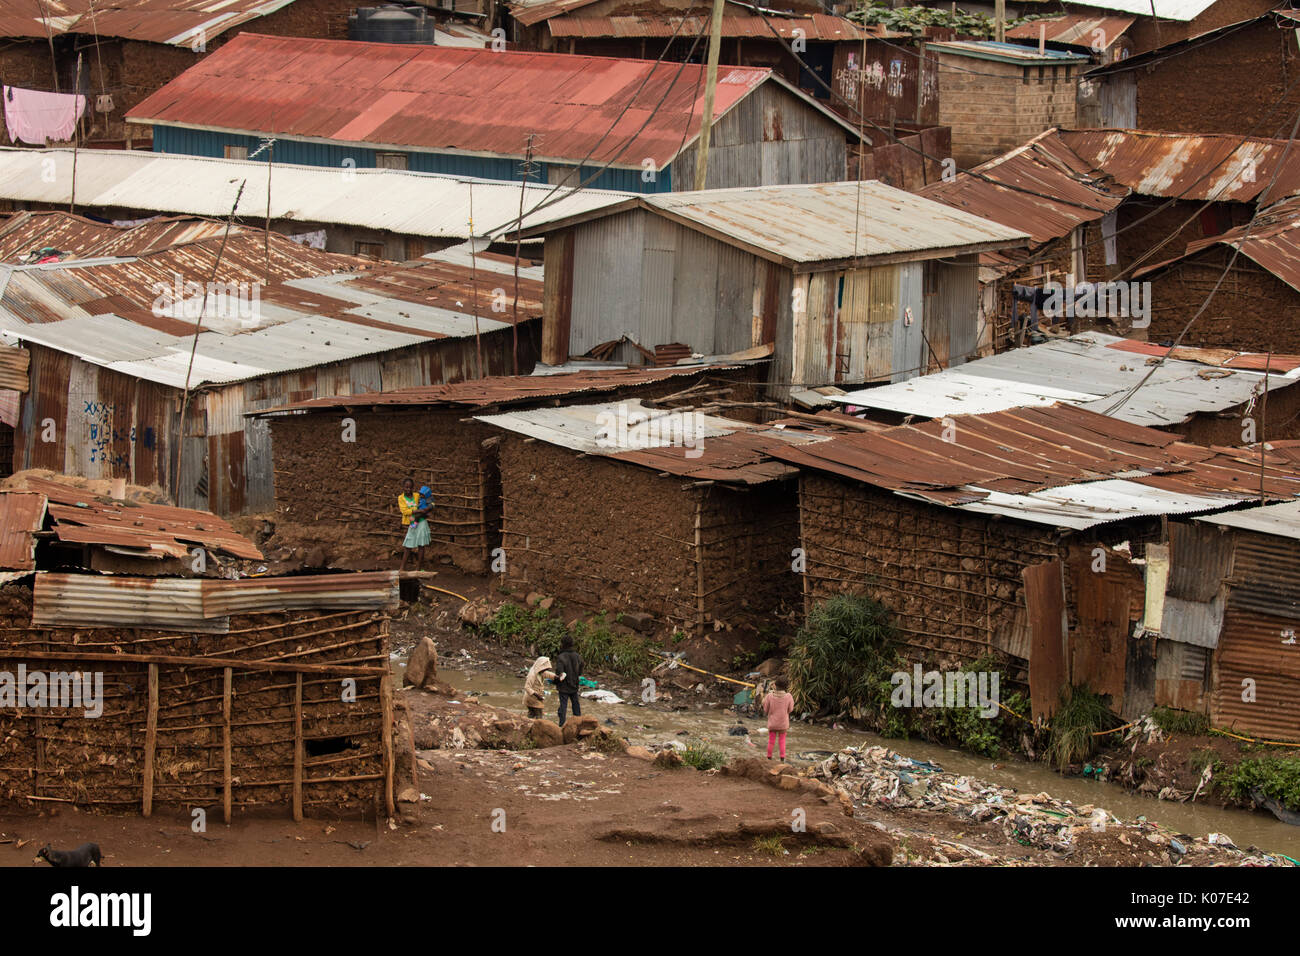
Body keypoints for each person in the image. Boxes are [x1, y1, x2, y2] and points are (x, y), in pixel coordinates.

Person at [397, 477, 430, 572]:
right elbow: (405, 511)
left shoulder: (417, 495)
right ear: (403, 487)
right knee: (409, 543)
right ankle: (402, 568)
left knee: (421, 545)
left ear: (413, 488)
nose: (408, 489)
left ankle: (418, 568)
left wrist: (428, 508)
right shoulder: (401, 498)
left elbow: (426, 502)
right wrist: (418, 510)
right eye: (406, 487)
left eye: (410, 487)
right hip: (413, 521)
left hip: (422, 521)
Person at [763, 675, 795, 762]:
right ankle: (782, 758)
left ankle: (769, 757)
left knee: (771, 741)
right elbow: (791, 709)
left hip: (772, 723)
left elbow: (765, 709)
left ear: (776, 685)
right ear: (786, 686)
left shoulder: (769, 696)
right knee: (782, 741)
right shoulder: (789, 696)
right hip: (783, 724)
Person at [554, 634, 584, 726]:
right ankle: (579, 724)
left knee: (563, 706)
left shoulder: (561, 657)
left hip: (563, 686)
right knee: (576, 706)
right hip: (574, 685)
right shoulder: (577, 656)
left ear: (563, 644)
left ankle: (561, 725)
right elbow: (580, 670)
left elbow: (559, 672)